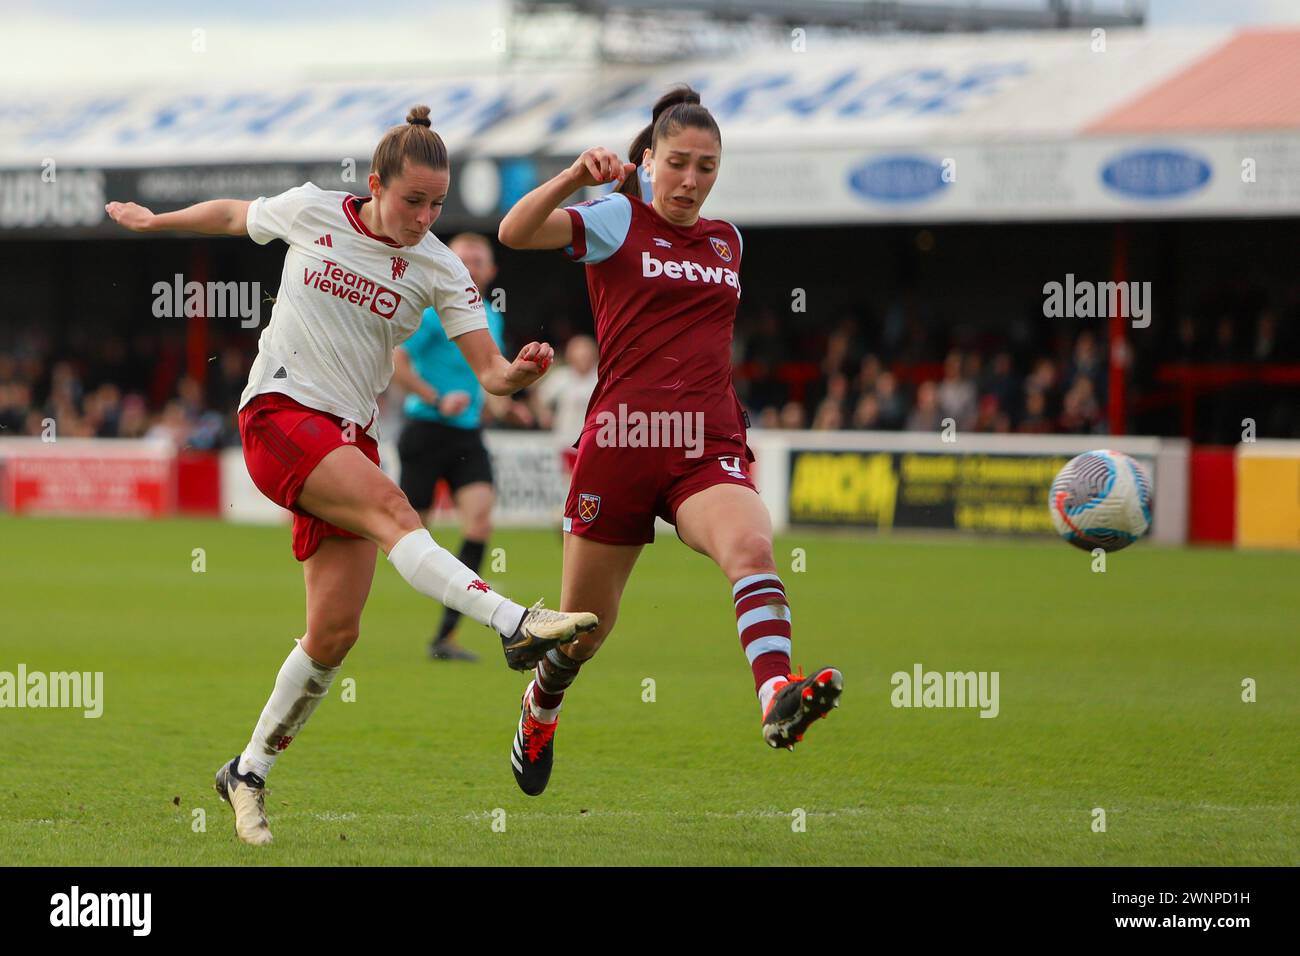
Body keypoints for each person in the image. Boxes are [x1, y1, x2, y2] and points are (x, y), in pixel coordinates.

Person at [105, 105, 598, 844]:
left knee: (333, 633)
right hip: (277, 414)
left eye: (436, 204)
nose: (424, 216)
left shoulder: (440, 266)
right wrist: (156, 222)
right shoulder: (313, 211)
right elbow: (236, 213)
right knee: (399, 512)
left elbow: (489, 373)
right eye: (413, 201)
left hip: (349, 438)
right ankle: (515, 623)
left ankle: (247, 771)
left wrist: (520, 375)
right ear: (374, 184)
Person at [497, 86, 842, 797]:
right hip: (621, 445)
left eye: (707, 167)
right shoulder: (617, 216)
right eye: (678, 163)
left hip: (705, 442)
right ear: (648, 160)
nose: (691, 180)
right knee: (582, 632)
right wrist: (570, 179)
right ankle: (541, 704)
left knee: (751, 547)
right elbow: (514, 233)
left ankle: (776, 695)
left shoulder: (729, 241)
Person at [391, 232, 520, 662]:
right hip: (426, 428)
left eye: (478, 260)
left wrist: (508, 407)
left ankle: (445, 637)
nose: (470, 266)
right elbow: (397, 362)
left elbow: (490, 376)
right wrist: (436, 398)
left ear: (491, 272)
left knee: (479, 522)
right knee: (406, 534)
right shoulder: (431, 312)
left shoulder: (490, 316)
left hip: (467, 435)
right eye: (462, 259)